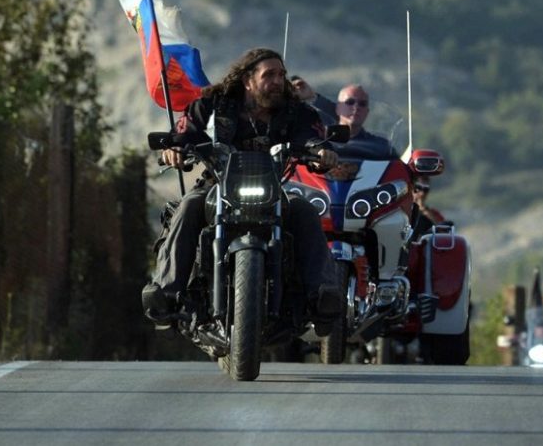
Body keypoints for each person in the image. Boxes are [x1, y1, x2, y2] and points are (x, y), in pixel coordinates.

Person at [141, 48, 341, 326]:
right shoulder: (214, 104)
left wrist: (320, 152)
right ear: (248, 80)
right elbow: (185, 132)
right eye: (269, 75)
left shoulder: (296, 111)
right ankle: (167, 290)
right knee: (189, 205)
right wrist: (174, 148)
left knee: (304, 210)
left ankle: (321, 294)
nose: (278, 81)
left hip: (273, 190)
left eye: (281, 74)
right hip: (218, 186)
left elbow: (311, 136)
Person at [335, 84, 396, 158]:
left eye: (362, 104)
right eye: (350, 102)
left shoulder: (382, 147)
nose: (356, 107)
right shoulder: (323, 141)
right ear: (337, 108)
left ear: (367, 112)